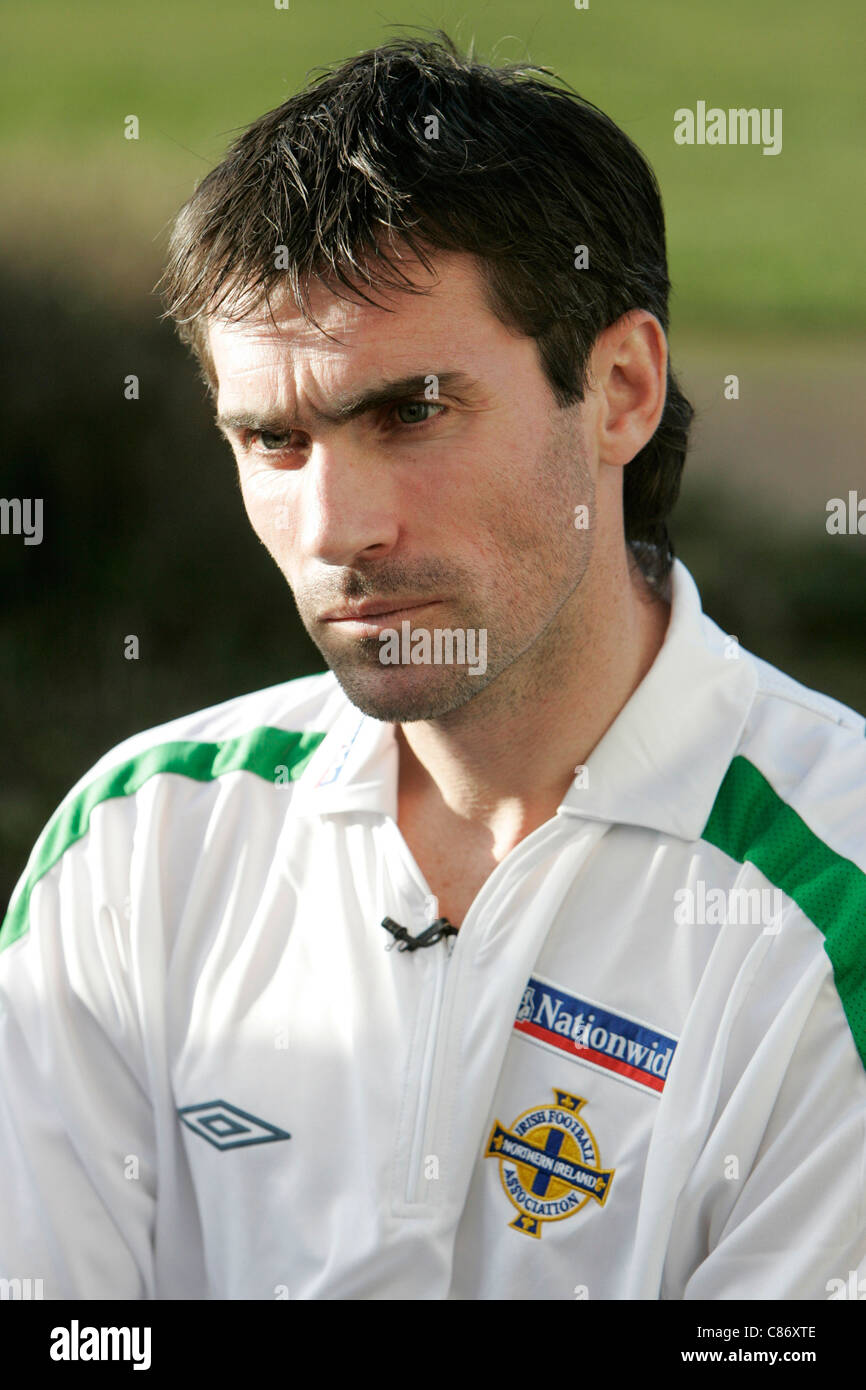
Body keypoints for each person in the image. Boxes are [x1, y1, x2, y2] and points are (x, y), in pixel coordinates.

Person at [1, 31, 864, 1302]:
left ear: (620, 388)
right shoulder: (138, 844)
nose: (337, 527)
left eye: (409, 412)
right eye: (272, 438)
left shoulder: (830, 908)